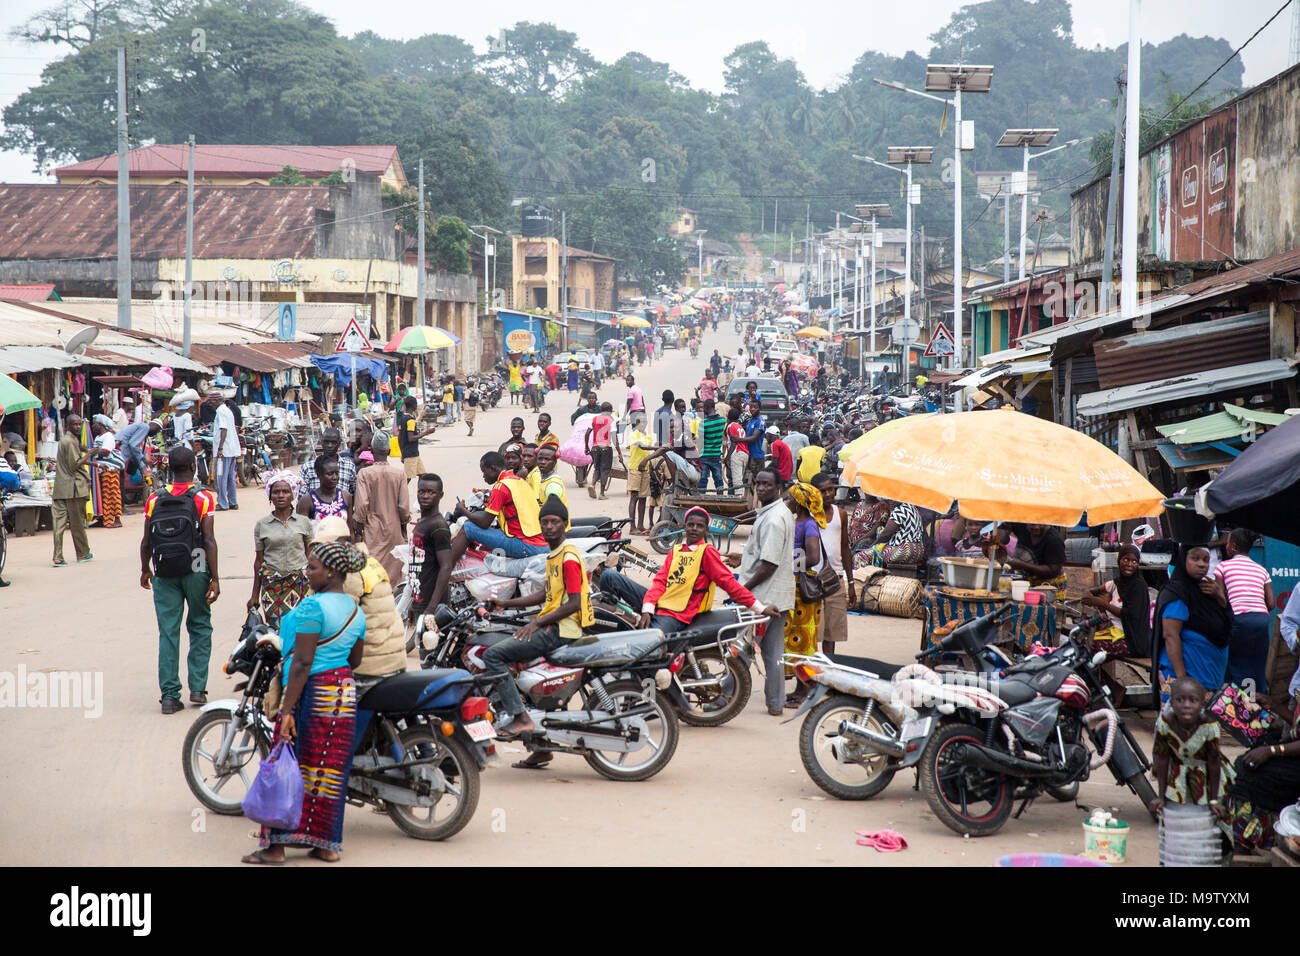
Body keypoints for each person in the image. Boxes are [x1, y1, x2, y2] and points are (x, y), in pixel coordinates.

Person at [241, 539, 368, 865]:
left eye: (312, 567)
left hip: (312, 693)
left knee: (287, 763)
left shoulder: (313, 607)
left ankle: (276, 848)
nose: (307, 572)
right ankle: (327, 845)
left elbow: (301, 662)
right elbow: (355, 659)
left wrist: (286, 711)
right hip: (343, 694)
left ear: (332, 572)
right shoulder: (356, 610)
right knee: (331, 770)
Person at [481, 496, 591, 744]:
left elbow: (574, 602)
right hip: (554, 625)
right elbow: (545, 594)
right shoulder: (555, 555)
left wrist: (538, 623)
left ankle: (520, 716)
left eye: (555, 522)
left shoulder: (568, 558)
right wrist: (505, 604)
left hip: (561, 630)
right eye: (545, 522)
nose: (549, 527)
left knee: (493, 655)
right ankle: (540, 747)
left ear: (565, 524)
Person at [600, 506, 774, 629]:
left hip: (677, 613)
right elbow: (660, 582)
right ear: (685, 527)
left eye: (700, 526)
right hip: (661, 602)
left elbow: (729, 584)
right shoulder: (676, 550)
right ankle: (616, 621)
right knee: (609, 576)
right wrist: (648, 608)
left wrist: (760, 608)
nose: (694, 529)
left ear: (706, 530)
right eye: (691, 525)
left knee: (651, 644)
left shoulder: (707, 552)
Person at [139, 446, 219, 714]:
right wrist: (215, 578)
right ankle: (198, 688)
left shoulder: (154, 498)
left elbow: (146, 541)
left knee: (168, 631)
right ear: (193, 467)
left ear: (169, 469)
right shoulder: (203, 497)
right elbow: (209, 540)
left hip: (163, 568)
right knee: (200, 625)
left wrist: (145, 569)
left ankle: (170, 697)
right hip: (195, 564)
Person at [725, 468, 795, 716]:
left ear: (779, 487)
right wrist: (744, 557)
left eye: (767, 484)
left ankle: (724, 699)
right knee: (774, 653)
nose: (762, 488)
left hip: (762, 599)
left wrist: (741, 590)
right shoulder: (777, 513)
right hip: (778, 597)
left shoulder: (774, 519)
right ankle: (775, 703)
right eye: (759, 484)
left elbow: (769, 565)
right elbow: (766, 555)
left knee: (741, 650)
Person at [312, 516, 407, 694]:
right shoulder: (368, 561)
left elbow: (338, 621)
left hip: (371, 666)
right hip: (393, 657)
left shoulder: (347, 571)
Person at [1148, 677, 1232, 843]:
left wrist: (1213, 800)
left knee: (1208, 826)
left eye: (1193, 700)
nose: (1186, 705)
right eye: (1180, 700)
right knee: (1176, 826)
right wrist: (1161, 797)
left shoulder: (1210, 726)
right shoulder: (1165, 723)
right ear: (1171, 702)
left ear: (1202, 704)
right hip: (1177, 776)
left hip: (1207, 778)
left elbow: (1214, 763)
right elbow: (1162, 759)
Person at [1153, 544, 1233, 704]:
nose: (1202, 564)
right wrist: (1182, 680)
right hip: (1184, 681)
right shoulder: (1177, 593)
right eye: (1195, 558)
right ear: (1183, 560)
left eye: (1206, 560)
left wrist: (1220, 597)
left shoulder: (1207, 590)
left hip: (1208, 678)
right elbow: (1170, 635)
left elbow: (1227, 625)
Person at [449, 451, 548, 562]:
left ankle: (446, 567)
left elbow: (484, 523)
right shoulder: (519, 480)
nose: (483, 476)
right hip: (541, 542)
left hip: (526, 545)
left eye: (484, 471)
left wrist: (463, 510)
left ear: (493, 468)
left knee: (468, 528)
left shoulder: (501, 487)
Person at [249, 470, 314, 629]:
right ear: (270, 496)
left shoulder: (304, 522)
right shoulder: (262, 525)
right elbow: (259, 562)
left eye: (285, 491)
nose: (280, 495)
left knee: (301, 628)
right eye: (276, 492)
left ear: (293, 495)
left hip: (299, 584)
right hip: (271, 587)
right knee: (276, 630)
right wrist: (254, 595)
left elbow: (311, 557)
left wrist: (316, 588)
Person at [1213, 529, 1275, 694]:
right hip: (1261, 620)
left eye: (1227, 543)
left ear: (1233, 546)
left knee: (1235, 664)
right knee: (1256, 665)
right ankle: (1256, 701)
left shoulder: (1223, 567)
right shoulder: (1261, 569)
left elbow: (1220, 598)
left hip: (1239, 619)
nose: (1226, 546)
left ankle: (1236, 703)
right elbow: (1271, 603)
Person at [351, 430, 411, 585]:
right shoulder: (399, 474)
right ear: (389, 451)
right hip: (395, 529)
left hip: (373, 529)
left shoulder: (364, 474)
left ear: (371, 450)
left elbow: (362, 505)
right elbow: (404, 508)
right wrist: (403, 524)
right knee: (395, 571)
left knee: (374, 570)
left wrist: (358, 528)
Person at [784, 482, 825, 680]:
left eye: (790, 498)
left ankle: (805, 685)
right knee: (790, 635)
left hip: (801, 588)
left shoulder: (809, 525)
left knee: (804, 639)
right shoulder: (795, 522)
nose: (787, 502)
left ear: (799, 503)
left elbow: (814, 557)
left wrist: (788, 564)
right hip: (792, 585)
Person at [1084, 543, 1152, 657]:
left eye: (1134, 561)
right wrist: (1089, 595)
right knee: (1082, 638)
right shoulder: (1118, 582)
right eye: (1126, 559)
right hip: (1116, 632)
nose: (1129, 564)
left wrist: (1101, 603)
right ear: (1119, 560)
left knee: (1090, 645)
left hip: (1132, 641)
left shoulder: (1139, 586)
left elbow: (1129, 614)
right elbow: (1092, 591)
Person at [51, 414, 92, 567]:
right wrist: (90, 454)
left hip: (60, 488)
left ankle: (58, 556)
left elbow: (77, 455)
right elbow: (75, 465)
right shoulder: (69, 441)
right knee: (77, 524)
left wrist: (94, 461)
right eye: (75, 424)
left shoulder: (69, 440)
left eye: (79, 424)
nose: (78, 427)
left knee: (59, 525)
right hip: (73, 488)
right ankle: (83, 553)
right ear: (68, 426)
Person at [1005, 523, 1067, 597]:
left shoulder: (1054, 540)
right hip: (1027, 583)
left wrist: (1021, 565)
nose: (1036, 527)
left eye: (1041, 524)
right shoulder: (1021, 526)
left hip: (1050, 587)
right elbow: (1005, 525)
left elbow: (1053, 570)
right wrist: (1001, 538)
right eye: (1032, 524)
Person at [206, 391, 241, 511]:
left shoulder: (220, 411)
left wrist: (220, 448)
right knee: (230, 477)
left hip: (223, 451)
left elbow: (223, 430)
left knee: (220, 477)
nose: (209, 404)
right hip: (230, 450)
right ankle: (233, 502)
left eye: (211, 401)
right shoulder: (227, 410)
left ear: (217, 400)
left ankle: (222, 503)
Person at [86, 414, 123, 529]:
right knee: (103, 495)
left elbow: (106, 452)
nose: (93, 426)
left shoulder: (108, 436)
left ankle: (117, 519)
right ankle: (104, 518)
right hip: (102, 469)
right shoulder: (98, 437)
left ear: (101, 425)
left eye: (95, 424)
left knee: (112, 494)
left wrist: (91, 452)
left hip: (110, 469)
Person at [865, 498, 926, 567]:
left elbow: (886, 535)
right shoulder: (913, 508)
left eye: (893, 499)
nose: (891, 502)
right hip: (918, 551)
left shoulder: (900, 510)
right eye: (889, 500)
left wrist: (871, 547)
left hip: (903, 551)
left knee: (861, 556)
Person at [296, 455, 351, 529]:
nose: (335, 477)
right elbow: (302, 531)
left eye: (337, 473)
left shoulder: (346, 496)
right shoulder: (307, 500)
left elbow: (350, 530)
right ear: (319, 475)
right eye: (330, 474)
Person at [584, 402, 623, 500]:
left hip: (595, 448)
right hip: (606, 448)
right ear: (610, 410)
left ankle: (592, 485)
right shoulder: (611, 420)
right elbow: (614, 439)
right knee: (604, 470)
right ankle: (601, 494)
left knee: (597, 468)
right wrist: (619, 453)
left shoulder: (594, 419)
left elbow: (587, 433)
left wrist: (587, 447)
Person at [625, 412, 655, 533]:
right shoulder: (634, 434)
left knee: (643, 498)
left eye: (645, 421)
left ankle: (640, 525)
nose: (644, 424)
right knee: (634, 497)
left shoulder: (647, 435)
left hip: (645, 469)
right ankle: (632, 527)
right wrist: (658, 448)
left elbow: (647, 449)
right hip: (635, 469)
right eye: (641, 422)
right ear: (636, 423)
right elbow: (642, 447)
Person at [397, 396, 436, 480]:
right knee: (407, 478)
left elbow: (400, 437)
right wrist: (426, 432)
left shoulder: (403, 418)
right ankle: (399, 489)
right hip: (411, 453)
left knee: (423, 475)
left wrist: (402, 452)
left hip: (412, 453)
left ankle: (421, 488)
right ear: (414, 405)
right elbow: (411, 438)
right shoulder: (410, 420)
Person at [695, 399, 726, 492]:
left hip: (704, 455)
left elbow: (699, 442)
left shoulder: (703, 423)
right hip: (716, 454)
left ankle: (702, 498)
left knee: (703, 479)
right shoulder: (722, 420)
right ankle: (720, 498)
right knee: (718, 479)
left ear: (706, 408)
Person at [535, 444, 568, 514]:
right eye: (540, 459)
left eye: (547, 459)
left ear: (555, 462)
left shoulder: (553, 485)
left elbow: (553, 513)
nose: (543, 462)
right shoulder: (543, 479)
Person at [723, 407, 748, 494]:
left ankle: (739, 498)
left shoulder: (730, 426)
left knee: (737, 481)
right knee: (740, 479)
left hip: (737, 453)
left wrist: (727, 458)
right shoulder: (740, 427)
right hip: (744, 454)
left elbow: (733, 443)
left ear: (728, 416)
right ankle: (740, 496)